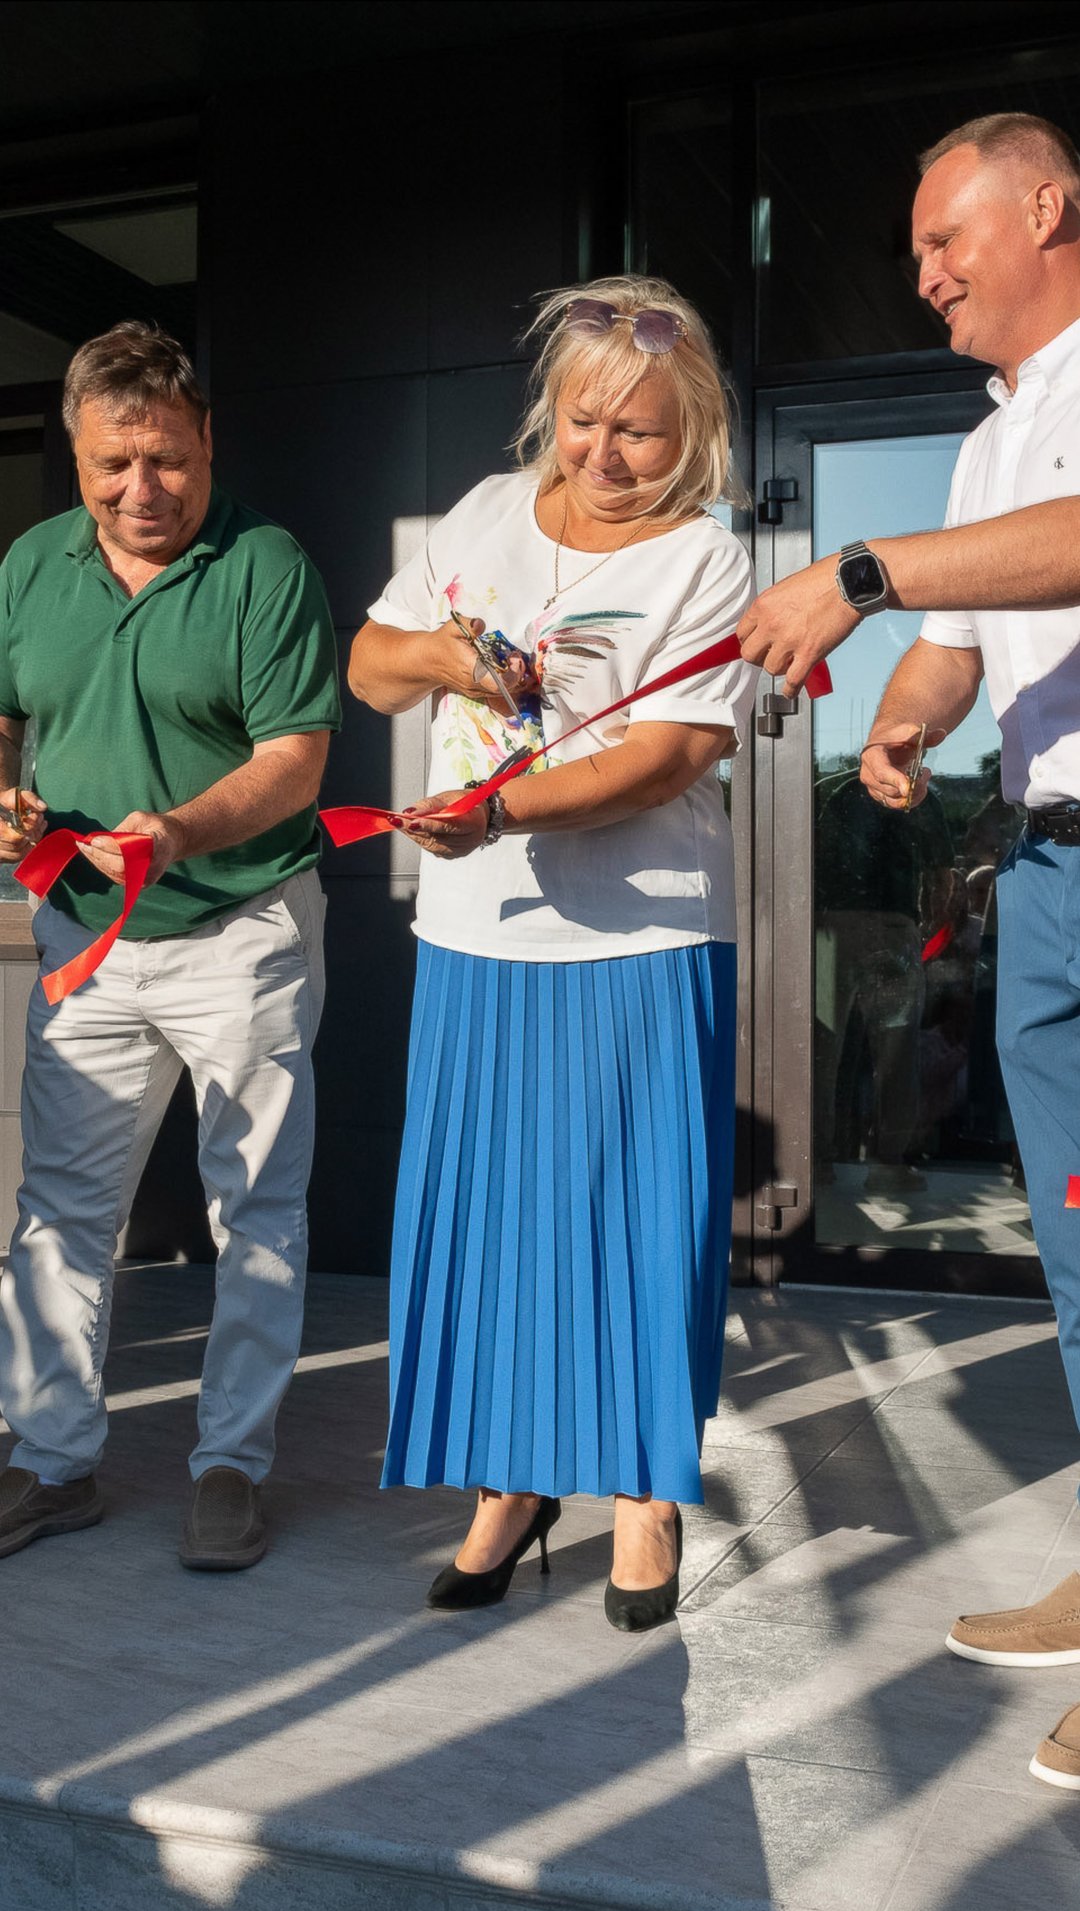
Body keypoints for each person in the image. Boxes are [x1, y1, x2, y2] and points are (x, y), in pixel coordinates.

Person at [736, 112, 1080, 1789]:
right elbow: (958, 639)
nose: (925, 271)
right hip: (1050, 864)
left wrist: (856, 573)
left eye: (948, 237)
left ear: (1050, 207)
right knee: (1079, 1245)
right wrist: (900, 722)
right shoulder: (988, 440)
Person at [349, 275, 758, 1631]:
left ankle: (644, 1494)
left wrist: (502, 810)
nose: (604, 452)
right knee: (490, 1223)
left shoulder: (704, 556)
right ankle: (511, 1486)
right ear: (552, 408)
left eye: (639, 431)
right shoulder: (481, 511)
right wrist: (445, 657)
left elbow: (673, 754)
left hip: (643, 928)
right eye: (586, 420)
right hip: (475, 933)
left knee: (639, 1221)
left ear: (691, 434)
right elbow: (368, 666)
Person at [0, 322, 340, 1571]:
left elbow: (296, 758)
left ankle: (231, 1467)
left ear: (207, 442)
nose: (142, 489)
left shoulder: (265, 564)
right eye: (113, 464)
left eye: (168, 460)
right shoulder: (30, 566)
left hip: (240, 931)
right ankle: (49, 1461)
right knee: (60, 1209)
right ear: (76, 456)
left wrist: (180, 829)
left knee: (255, 1209)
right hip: (85, 938)